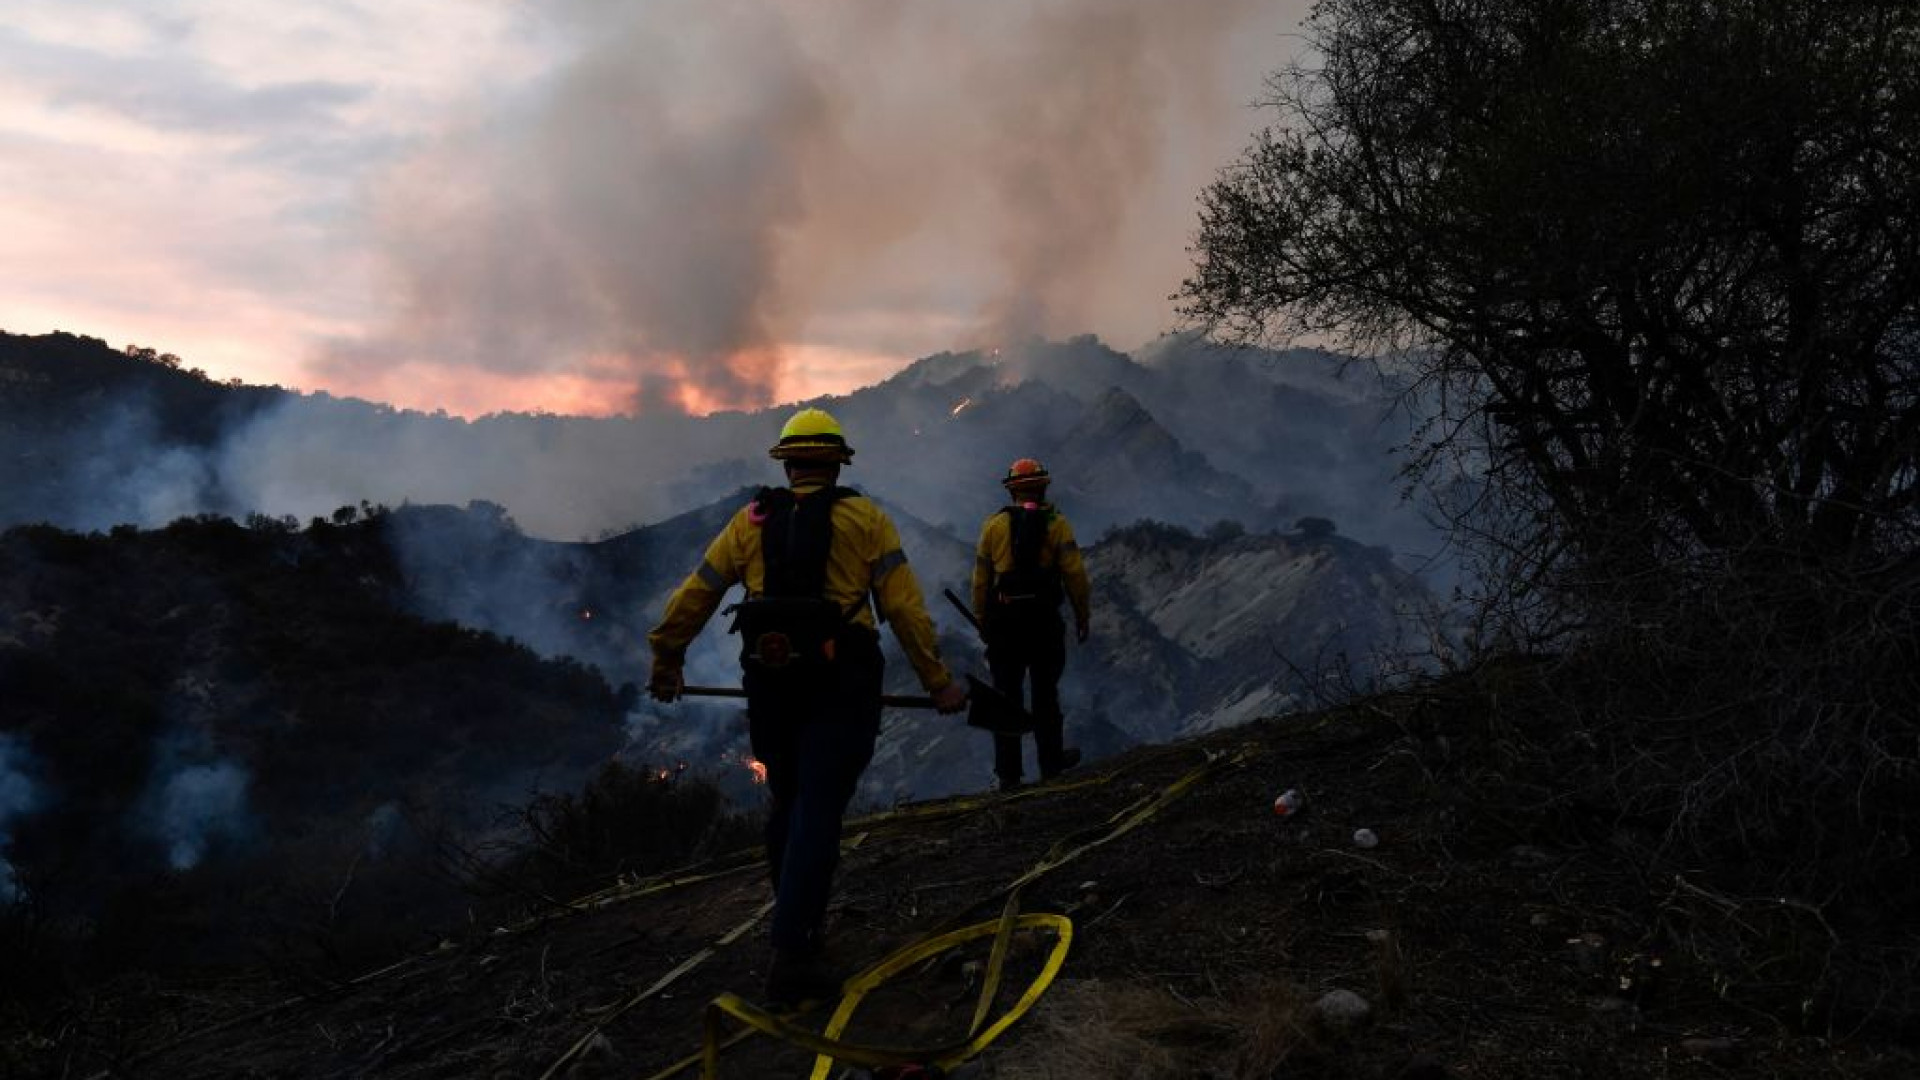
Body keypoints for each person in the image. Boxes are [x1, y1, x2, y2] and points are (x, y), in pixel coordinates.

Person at [646, 406, 966, 1007]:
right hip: (842, 681)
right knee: (819, 808)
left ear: (788, 464)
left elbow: (698, 591)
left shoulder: (750, 522)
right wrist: (938, 681)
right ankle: (793, 954)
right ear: (838, 465)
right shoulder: (866, 520)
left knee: (789, 801)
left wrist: (666, 661)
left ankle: (800, 931)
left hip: (770, 684)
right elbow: (903, 609)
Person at [970, 457, 1091, 791]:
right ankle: (1051, 764)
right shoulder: (1057, 523)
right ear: (1042, 488)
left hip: (1004, 625)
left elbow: (980, 580)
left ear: (1011, 491)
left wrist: (981, 618)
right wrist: (1082, 614)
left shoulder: (993, 526)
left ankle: (1009, 775)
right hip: (1043, 622)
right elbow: (1075, 574)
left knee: (1005, 697)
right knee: (1045, 693)